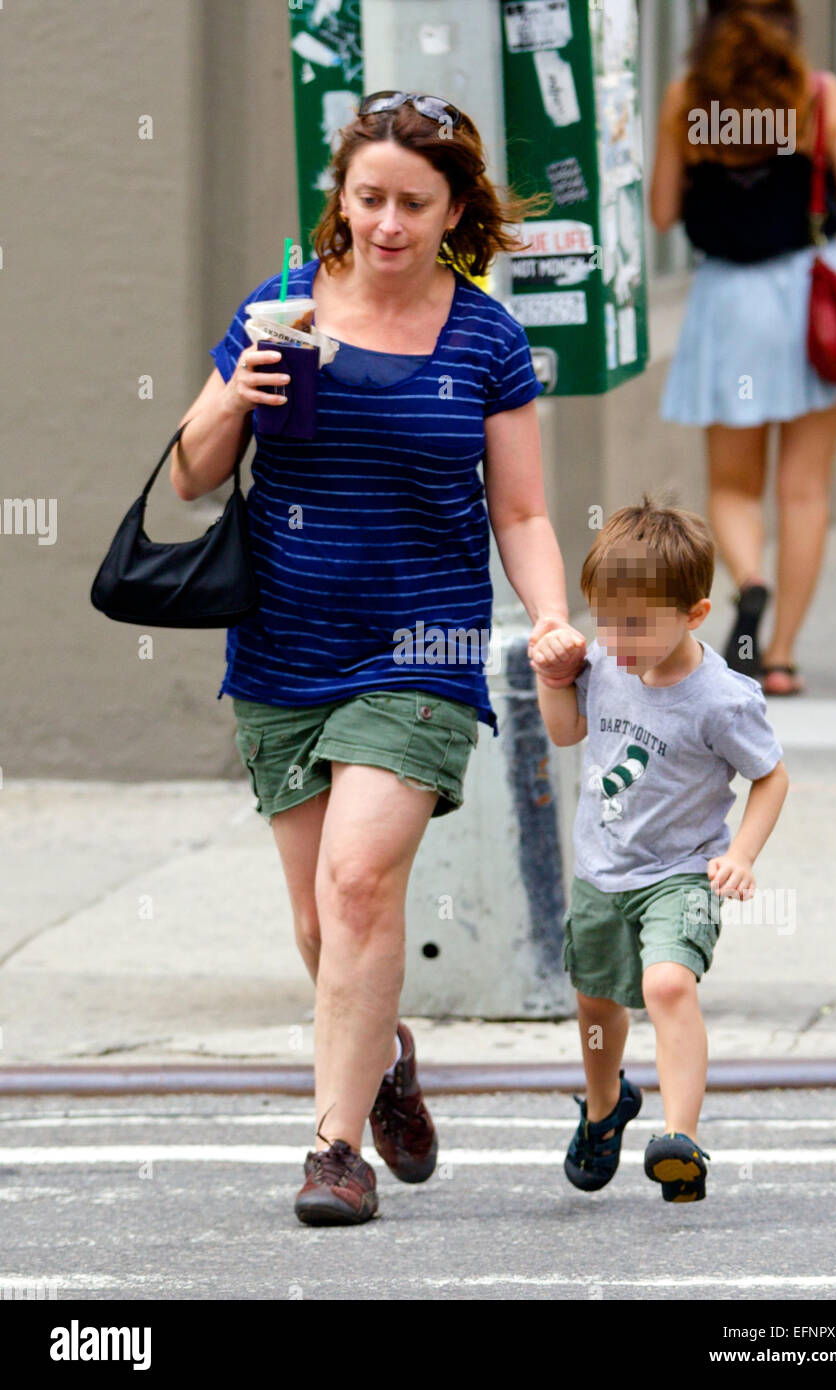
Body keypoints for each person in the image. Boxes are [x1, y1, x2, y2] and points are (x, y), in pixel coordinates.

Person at [169, 91, 581, 1226]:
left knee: (358, 884)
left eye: (414, 202)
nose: (388, 223)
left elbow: (525, 511)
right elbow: (192, 475)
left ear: (455, 209)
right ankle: (387, 1057)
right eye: (368, 200)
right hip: (285, 642)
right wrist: (236, 397)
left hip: (423, 643)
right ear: (339, 202)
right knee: (320, 923)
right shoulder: (283, 306)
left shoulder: (485, 337)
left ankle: (333, 1150)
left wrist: (550, 616)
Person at [532, 497, 788, 1202]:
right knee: (597, 1004)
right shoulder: (608, 660)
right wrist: (554, 678)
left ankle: (680, 1139)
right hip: (602, 870)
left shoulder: (721, 701)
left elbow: (771, 776)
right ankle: (604, 1103)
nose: (616, 638)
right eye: (604, 618)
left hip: (682, 874)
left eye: (636, 624)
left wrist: (741, 855)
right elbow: (564, 732)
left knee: (667, 985)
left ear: (696, 615)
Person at [649, 0, 836, 695]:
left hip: (729, 305)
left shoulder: (685, 98)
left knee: (732, 486)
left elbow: (662, 211)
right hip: (814, 301)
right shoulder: (818, 93)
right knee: (805, 490)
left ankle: (751, 581)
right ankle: (779, 658)